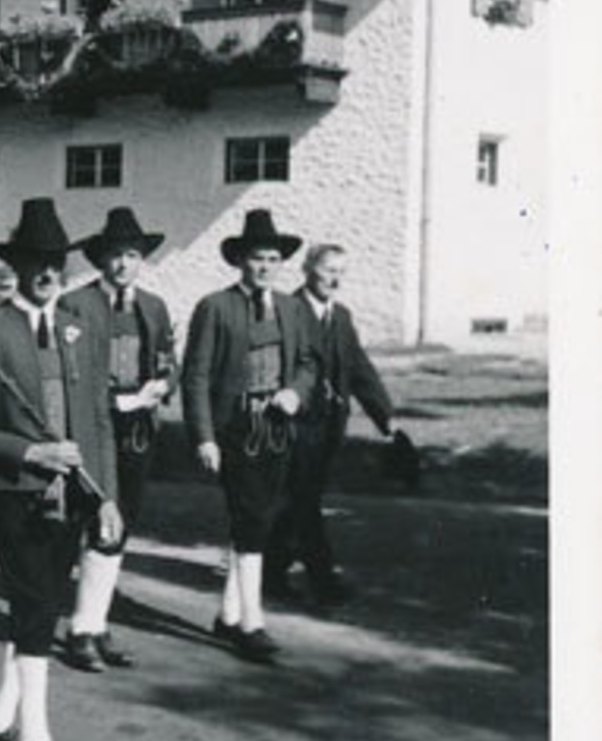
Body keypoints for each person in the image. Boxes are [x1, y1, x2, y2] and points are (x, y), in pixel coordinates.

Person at [0, 198, 121, 741]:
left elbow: (98, 419)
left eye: (55, 262)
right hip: (14, 490)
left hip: (75, 495)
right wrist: (31, 454)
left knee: (42, 605)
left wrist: (107, 497)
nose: (48, 272)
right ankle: (36, 739)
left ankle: (0, 723)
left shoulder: (80, 326)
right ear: (17, 266)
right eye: (36, 262)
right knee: (33, 604)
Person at [181, 209, 320, 663]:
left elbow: (307, 364)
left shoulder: (292, 309)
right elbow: (196, 376)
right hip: (235, 428)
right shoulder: (215, 307)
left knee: (258, 517)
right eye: (258, 257)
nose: (265, 266)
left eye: (273, 258)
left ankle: (228, 614)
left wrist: (296, 394)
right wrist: (204, 436)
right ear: (241, 260)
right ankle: (252, 622)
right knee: (251, 517)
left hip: (278, 427)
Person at [59, 208, 177, 674]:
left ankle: (95, 622)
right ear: (100, 260)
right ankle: (78, 628)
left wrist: (163, 386)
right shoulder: (78, 305)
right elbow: (71, 375)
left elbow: (168, 360)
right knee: (89, 520)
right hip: (93, 425)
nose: (123, 265)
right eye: (115, 256)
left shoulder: (153, 306)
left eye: (131, 255)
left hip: (138, 430)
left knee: (121, 522)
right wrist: (116, 401)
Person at [266, 244, 396, 608]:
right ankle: (322, 578)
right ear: (308, 269)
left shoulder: (341, 317)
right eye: (328, 269)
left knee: (301, 499)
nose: (335, 278)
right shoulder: (287, 311)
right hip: (295, 424)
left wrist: (383, 414)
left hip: (329, 426)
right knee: (305, 500)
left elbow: (358, 368)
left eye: (342, 271)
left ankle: (270, 570)